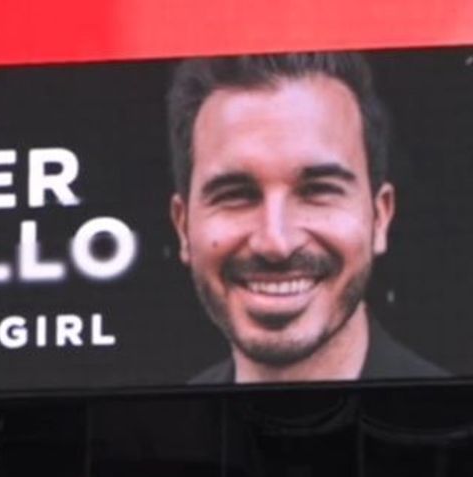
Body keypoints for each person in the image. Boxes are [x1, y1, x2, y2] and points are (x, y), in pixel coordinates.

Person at [166, 52, 445, 384]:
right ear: (183, 227)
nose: (276, 243)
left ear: (380, 217)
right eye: (236, 195)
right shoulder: (153, 431)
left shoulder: (455, 422)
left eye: (318, 192)